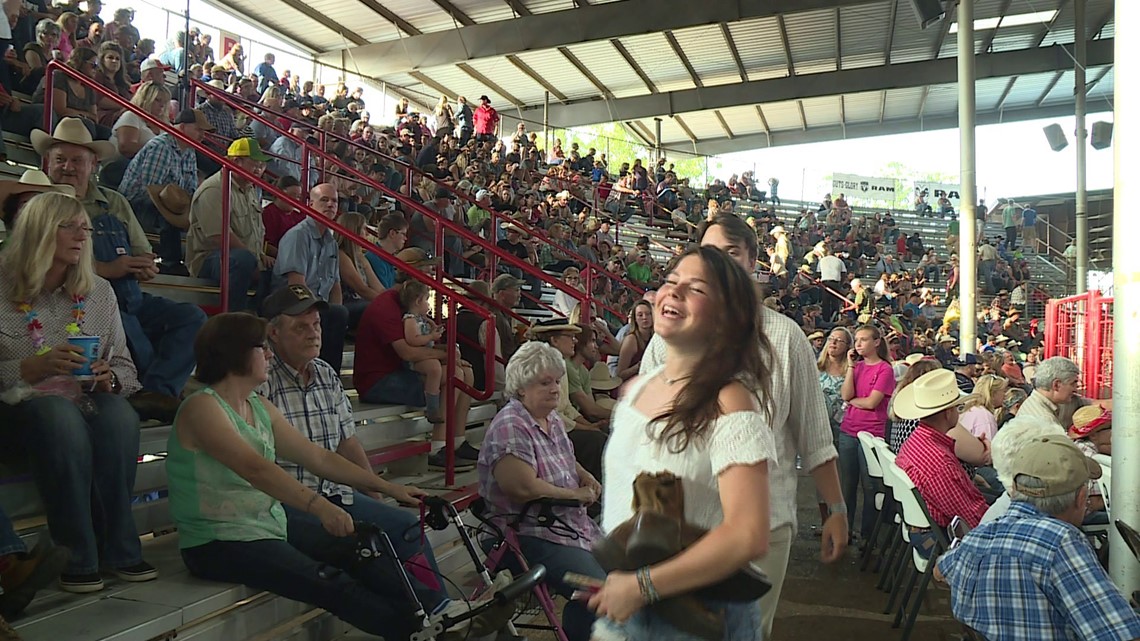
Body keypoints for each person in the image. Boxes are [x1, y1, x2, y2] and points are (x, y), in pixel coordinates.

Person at [168, 313, 507, 639]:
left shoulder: (257, 406)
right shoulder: (203, 407)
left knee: (359, 549)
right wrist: (320, 507)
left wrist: (388, 487)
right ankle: (425, 631)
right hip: (218, 542)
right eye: (262, 347)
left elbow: (318, 457)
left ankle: (442, 611)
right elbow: (256, 470)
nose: (270, 355)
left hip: (264, 525)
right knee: (328, 581)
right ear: (236, 353)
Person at [640, 215, 845, 639]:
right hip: (684, 519)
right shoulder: (668, 336)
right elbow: (645, 428)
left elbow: (815, 437)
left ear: (752, 262)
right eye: (710, 253)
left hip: (763, 525)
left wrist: (836, 510)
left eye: (731, 253)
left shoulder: (786, 338)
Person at [593, 246, 775, 641]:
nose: (673, 292)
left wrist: (644, 585)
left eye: (695, 289)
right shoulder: (636, 389)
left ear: (727, 318)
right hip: (625, 607)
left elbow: (749, 533)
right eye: (671, 281)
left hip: (695, 616)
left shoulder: (730, 402)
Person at [0, 193, 156, 593]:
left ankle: (121, 550)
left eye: (85, 227)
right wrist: (30, 368)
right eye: (69, 226)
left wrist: (110, 376)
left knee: (120, 414)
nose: (82, 236)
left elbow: (124, 366)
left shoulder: (99, 291)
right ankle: (76, 555)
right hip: (16, 407)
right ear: (38, 231)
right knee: (56, 413)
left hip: (82, 399)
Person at [258, 284, 446, 586]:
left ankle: (441, 610)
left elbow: (347, 442)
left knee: (406, 526)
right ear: (274, 333)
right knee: (368, 545)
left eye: (316, 324)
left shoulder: (324, 372)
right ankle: (429, 615)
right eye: (300, 326)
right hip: (290, 502)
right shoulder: (261, 381)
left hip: (338, 493)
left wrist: (376, 495)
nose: (313, 333)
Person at [37, 117, 203, 421]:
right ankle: (143, 394)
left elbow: (143, 251)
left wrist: (144, 267)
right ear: (48, 162)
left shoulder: (114, 201)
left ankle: (157, 390)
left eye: (77, 160)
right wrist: (106, 268)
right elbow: (34, 262)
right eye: (60, 160)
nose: (68, 167)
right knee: (129, 327)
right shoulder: (36, 200)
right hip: (81, 302)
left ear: (93, 164)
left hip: (130, 294)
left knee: (192, 317)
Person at [935, 435, 1140, 641]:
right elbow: (1119, 634)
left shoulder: (980, 534)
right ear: (1080, 498)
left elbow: (939, 571)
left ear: (1014, 490)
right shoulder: (1061, 542)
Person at [477, 340, 606, 641]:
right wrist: (576, 495)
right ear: (521, 388)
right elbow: (522, 488)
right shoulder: (511, 425)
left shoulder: (552, 419)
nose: (555, 389)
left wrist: (585, 476)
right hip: (526, 534)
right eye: (544, 382)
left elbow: (568, 459)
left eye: (558, 381)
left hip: (566, 526)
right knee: (599, 590)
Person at [353, 269, 479, 470]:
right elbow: (408, 353)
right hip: (378, 380)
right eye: (426, 273)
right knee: (455, 374)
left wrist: (448, 353)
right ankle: (438, 447)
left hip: (400, 371)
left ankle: (457, 440)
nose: (431, 279)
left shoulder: (409, 309)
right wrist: (447, 356)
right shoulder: (386, 307)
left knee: (467, 373)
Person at [894, 370, 988, 535]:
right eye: (957, 407)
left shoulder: (918, 439)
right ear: (948, 413)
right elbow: (970, 519)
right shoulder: (939, 461)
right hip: (943, 535)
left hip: (926, 529)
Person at [187, 137, 273, 313]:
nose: (259, 169)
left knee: (282, 268)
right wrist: (254, 260)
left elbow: (254, 231)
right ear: (236, 161)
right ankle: (233, 318)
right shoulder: (214, 189)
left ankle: (264, 321)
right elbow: (219, 236)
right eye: (254, 164)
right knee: (241, 260)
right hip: (209, 259)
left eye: (261, 165)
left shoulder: (250, 189)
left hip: (246, 257)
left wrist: (261, 255)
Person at [273, 183, 349, 372]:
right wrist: (318, 312)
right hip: (293, 302)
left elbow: (335, 286)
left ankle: (330, 378)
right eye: (324, 200)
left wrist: (334, 307)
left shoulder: (331, 242)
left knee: (348, 312)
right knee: (337, 315)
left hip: (318, 304)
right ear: (310, 203)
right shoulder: (298, 236)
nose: (331, 205)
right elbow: (296, 285)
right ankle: (328, 374)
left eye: (335, 201)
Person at [839, 324, 895, 543]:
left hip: (871, 432)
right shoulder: (858, 367)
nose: (859, 344)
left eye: (864, 339)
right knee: (847, 485)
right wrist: (851, 367)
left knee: (869, 485)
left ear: (876, 342)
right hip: (849, 429)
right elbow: (846, 394)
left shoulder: (885, 369)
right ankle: (845, 530)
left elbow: (873, 402)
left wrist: (853, 401)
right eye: (857, 340)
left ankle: (867, 535)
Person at [1018, 356, 1081, 432]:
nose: (1075, 389)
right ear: (1056, 385)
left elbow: (1083, 401)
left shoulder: (1041, 400)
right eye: (1073, 383)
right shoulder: (1044, 421)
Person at [615, 300, 652, 381]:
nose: (645, 317)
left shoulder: (656, 337)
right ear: (635, 319)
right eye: (640, 315)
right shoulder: (631, 340)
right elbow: (620, 374)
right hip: (631, 386)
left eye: (648, 314)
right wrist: (638, 367)